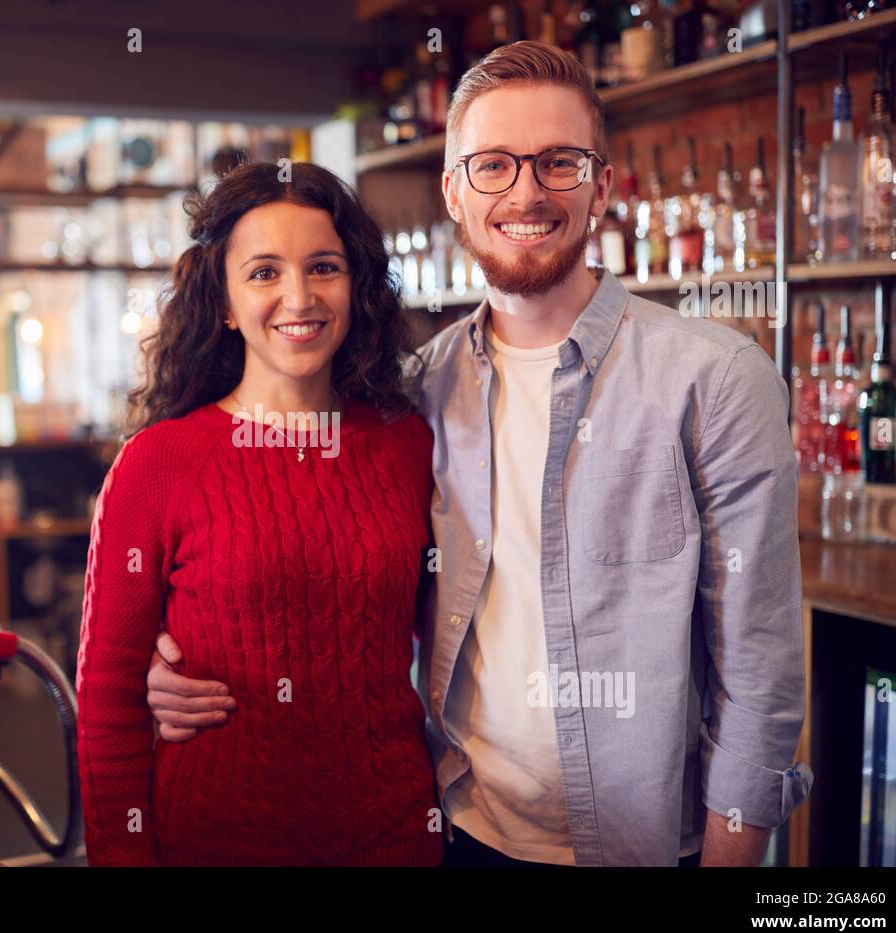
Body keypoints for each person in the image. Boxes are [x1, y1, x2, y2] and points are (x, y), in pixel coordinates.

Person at [145, 41, 812, 867]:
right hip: (454, 828)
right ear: (454, 193)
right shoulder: (417, 392)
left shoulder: (715, 380)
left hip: (644, 847)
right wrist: (171, 656)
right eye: (493, 165)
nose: (527, 193)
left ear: (602, 185)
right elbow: (304, 565)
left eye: (559, 162)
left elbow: (764, 672)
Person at [75, 160, 443, 866]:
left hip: (394, 839)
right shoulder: (158, 464)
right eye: (264, 272)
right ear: (223, 300)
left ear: (355, 285)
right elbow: (107, 706)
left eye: (324, 267)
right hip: (212, 844)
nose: (299, 297)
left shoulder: (408, 445)